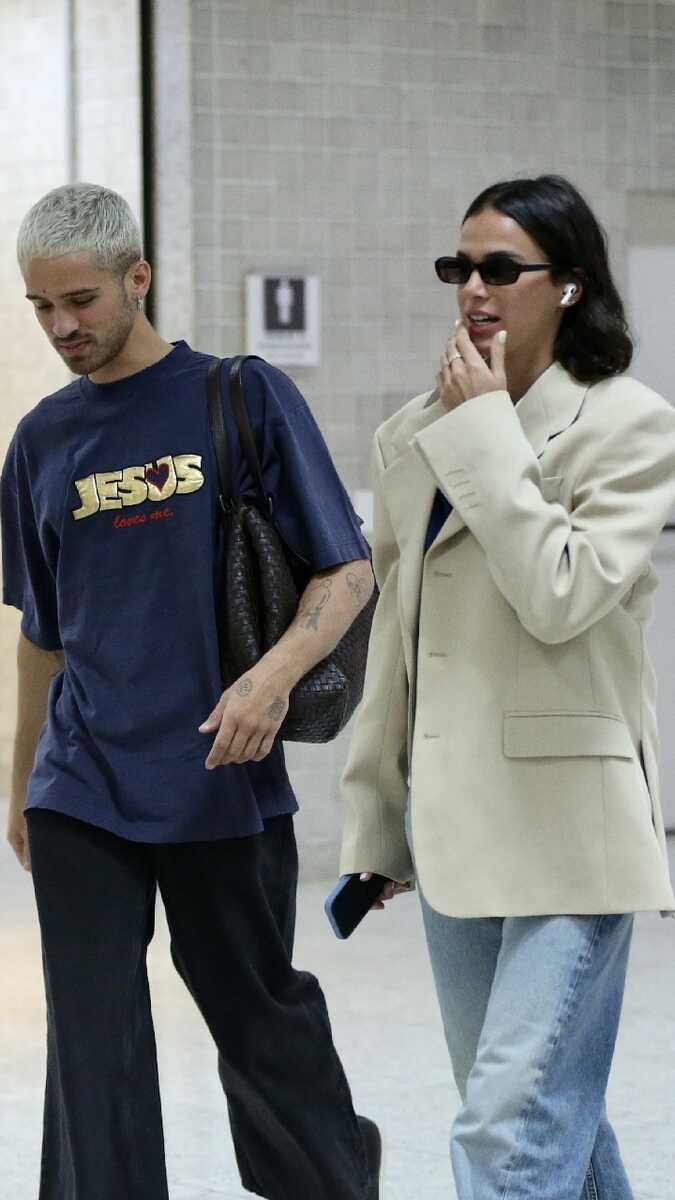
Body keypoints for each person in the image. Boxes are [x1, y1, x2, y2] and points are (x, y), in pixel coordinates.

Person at [1, 182, 382, 1200]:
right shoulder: (40, 441)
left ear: (139, 277)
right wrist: (21, 782)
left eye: (79, 299)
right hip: (82, 782)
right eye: (40, 306)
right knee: (91, 1037)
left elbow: (347, 570)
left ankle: (333, 1182)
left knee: (258, 1013)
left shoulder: (240, 395)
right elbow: (41, 633)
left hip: (225, 770)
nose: (62, 326)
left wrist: (267, 680)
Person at [339, 173, 675, 1200]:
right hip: (457, 839)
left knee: (508, 1134)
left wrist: (486, 435)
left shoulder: (630, 425)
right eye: (459, 268)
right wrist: (376, 820)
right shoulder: (413, 435)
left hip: (574, 835)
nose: (472, 290)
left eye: (499, 268)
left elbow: (561, 593)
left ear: (568, 286)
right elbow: (402, 644)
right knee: (546, 1126)